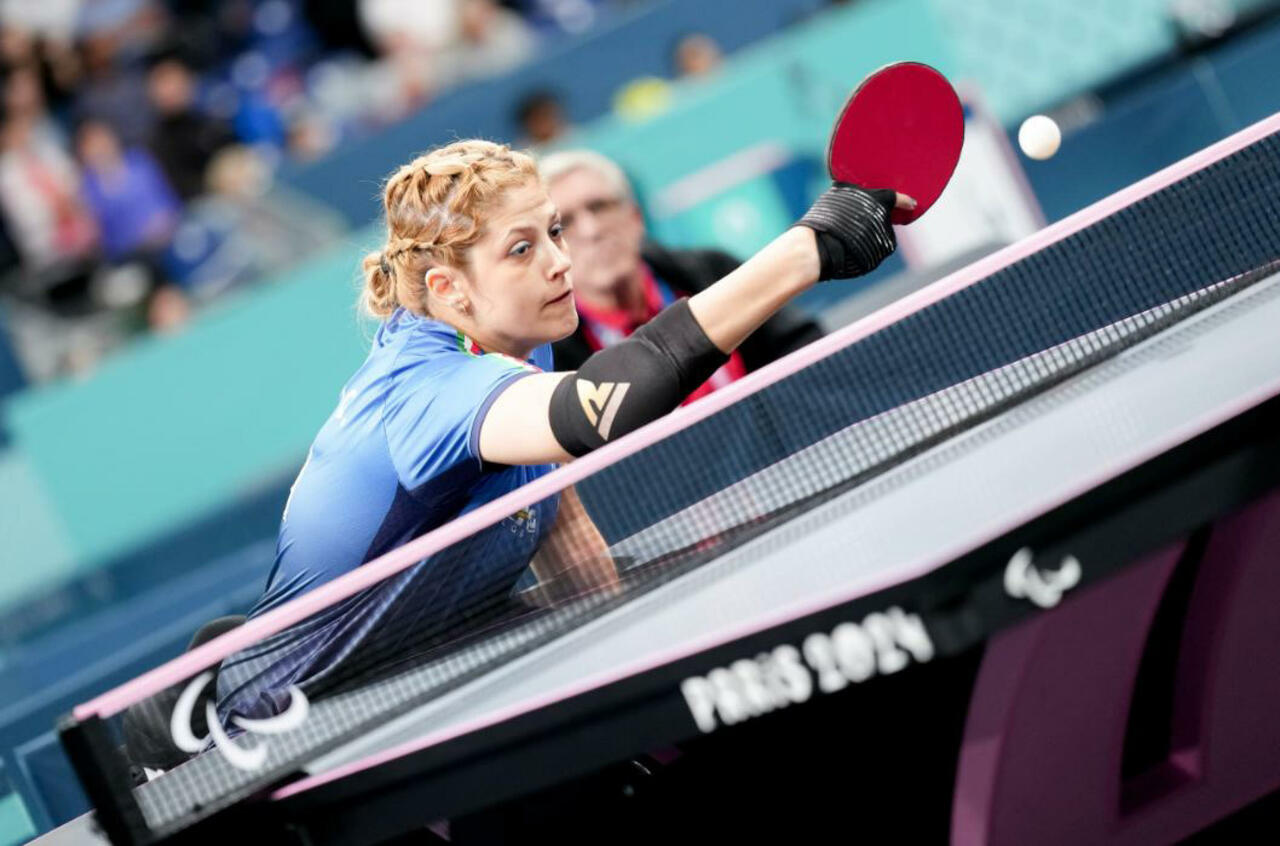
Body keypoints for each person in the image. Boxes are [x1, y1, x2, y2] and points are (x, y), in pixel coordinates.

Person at [214, 139, 911, 723]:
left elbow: (564, 528)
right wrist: (806, 250)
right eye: (522, 249)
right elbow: (605, 406)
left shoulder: (518, 336)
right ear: (449, 290)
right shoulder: (424, 391)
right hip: (287, 727)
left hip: (413, 698)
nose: (559, 260)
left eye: (551, 233)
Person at [541, 149, 823, 402]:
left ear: (635, 217)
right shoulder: (553, 362)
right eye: (564, 224)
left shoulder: (714, 272)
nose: (592, 231)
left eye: (599, 207)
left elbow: (805, 349)